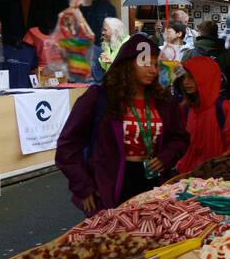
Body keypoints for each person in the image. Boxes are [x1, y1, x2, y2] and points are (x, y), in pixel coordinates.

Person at [55, 33, 188, 213]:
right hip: (111, 184)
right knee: (115, 239)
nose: (153, 70)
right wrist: (83, 187)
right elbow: (68, 146)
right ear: (127, 63)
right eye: (145, 62)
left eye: (156, 64)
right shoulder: (100, 98)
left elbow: (179, 138)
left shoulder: (165, 101)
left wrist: (166, 156)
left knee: (155, 237)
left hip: (155, 183)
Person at [174, 56, 230, 173]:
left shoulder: (223, 108)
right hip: (186, 174)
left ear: (205, 78)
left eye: (192, 77)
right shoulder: (185, 107)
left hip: (216, 176)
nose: (186, 82)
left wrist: (222, 169)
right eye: (183, 77)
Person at [189, 19, 230, 90]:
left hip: (197, 97)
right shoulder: (228, 54)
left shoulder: (189, 53)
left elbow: (181, 77)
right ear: (216, 33)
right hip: (221, 96)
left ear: (200, 33)